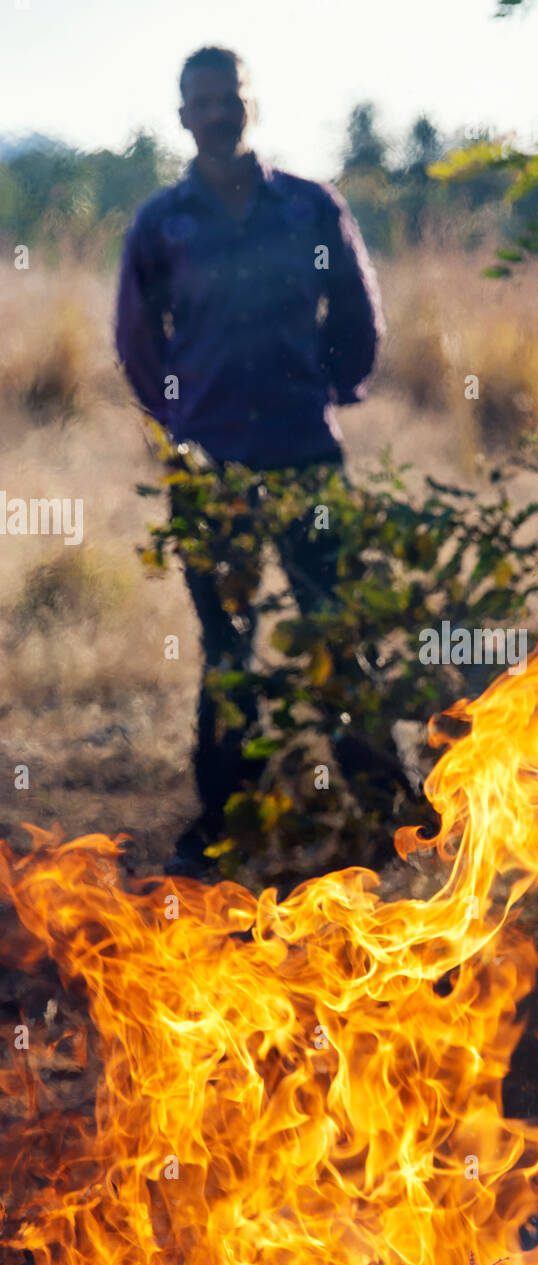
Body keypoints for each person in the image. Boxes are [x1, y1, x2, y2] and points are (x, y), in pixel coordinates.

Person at [115, 45, 384, 874]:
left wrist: (331, 389)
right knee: (226, 647)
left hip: (306, 457)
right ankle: (222, 819)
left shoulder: (307, 208)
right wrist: (180, 425)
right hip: (211, 472)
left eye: (229, 96)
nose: (217, 111)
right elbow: (134, 338)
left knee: (333, 627)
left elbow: (358, 312)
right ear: (183, 113)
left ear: (248, 105)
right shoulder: (163, 223)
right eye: (202, 100)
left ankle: (378, 805)